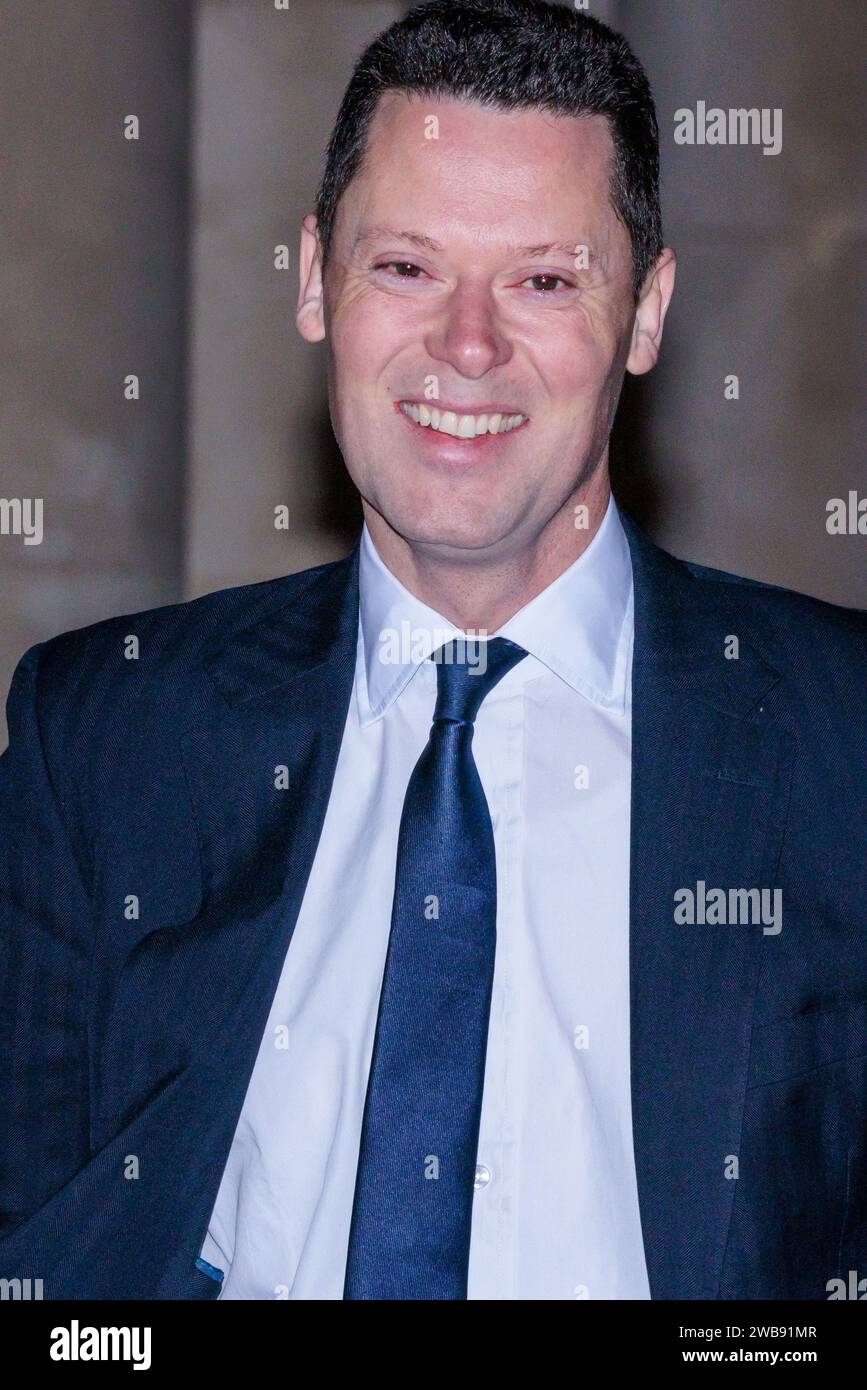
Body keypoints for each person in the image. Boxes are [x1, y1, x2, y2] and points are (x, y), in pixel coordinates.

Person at [1, 0, 864, 1301]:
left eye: (544, 279)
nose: (467, 345)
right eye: (405, 266)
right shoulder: (106, 739)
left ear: (647, 311)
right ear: (312, 278)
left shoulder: (842, 739)